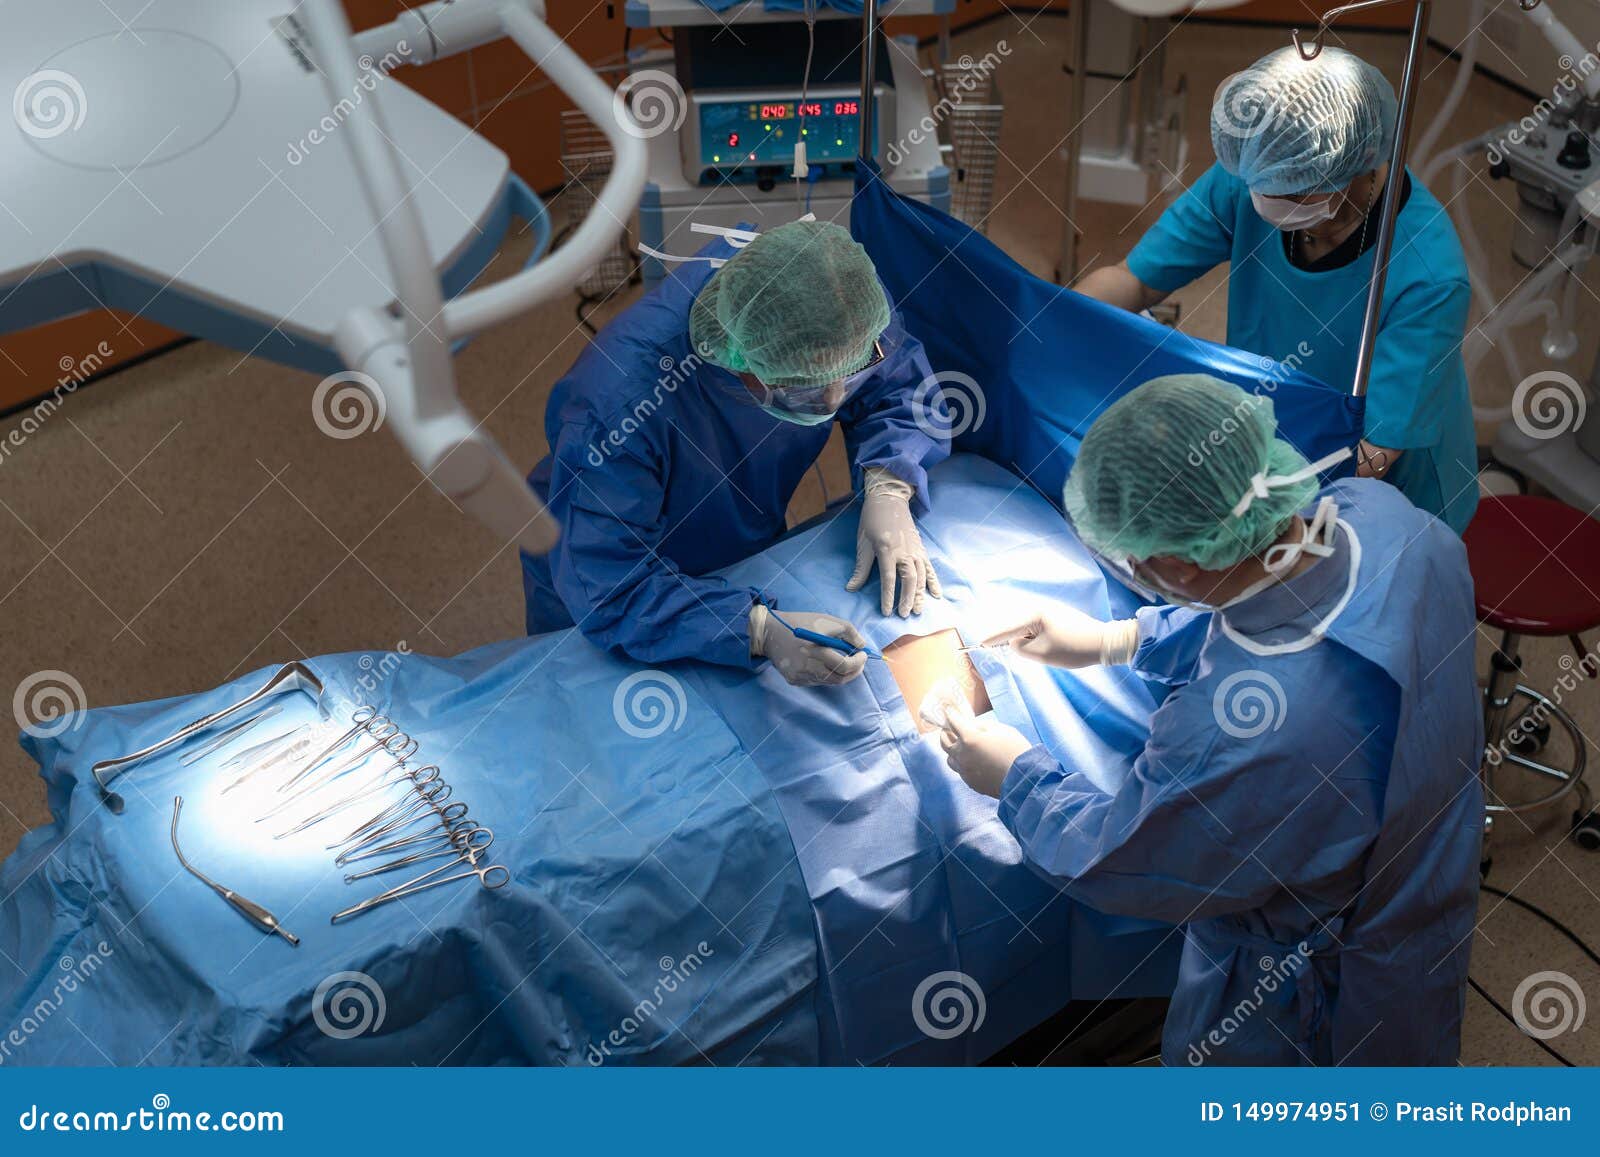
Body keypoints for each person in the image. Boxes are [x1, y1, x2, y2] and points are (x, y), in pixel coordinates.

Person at [939, 374, 1484, 1065]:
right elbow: (1288, 613)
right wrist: (1121, 639)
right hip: (1432, 876)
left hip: (1309, 1002)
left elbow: (1126, 858)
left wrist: (1014, 775)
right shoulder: (1385, 517)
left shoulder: (1235, 740)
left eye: (1134, 555)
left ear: (1175, 564)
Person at [521, 219, 948, 685]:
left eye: (849, 372)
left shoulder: (836, 298)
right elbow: (607, 589)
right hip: (597, 571)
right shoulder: (618, 410)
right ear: (739, 359)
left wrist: (890, 483)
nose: (833, 401)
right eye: (802, 388)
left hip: (737, 529)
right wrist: (753, 630)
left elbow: (898, 383)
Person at [1076, 46, 1478, 535]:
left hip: (1388, 488)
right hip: (1274, 424)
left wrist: (1254, 512)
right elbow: (1134, 279)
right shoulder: (1254, 176)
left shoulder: (1428, 277)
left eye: (1295, 192)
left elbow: (1376, 458)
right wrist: (1053, 330)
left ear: (1354, 166)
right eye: (1261, 187)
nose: (1269, 203)